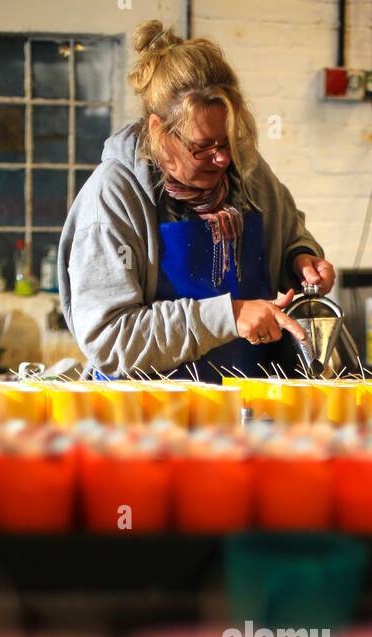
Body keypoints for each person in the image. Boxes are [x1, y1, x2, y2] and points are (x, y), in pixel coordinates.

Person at [58, 20, 335, 381]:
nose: (221, 159)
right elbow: (111, 341)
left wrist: (301, 259)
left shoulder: (248, 174)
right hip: (147, 421)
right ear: (159, 131)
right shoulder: (114, 198)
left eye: (228, 142)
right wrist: (227, 316)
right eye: (202, 147)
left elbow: (288, 237)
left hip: (247, 413)